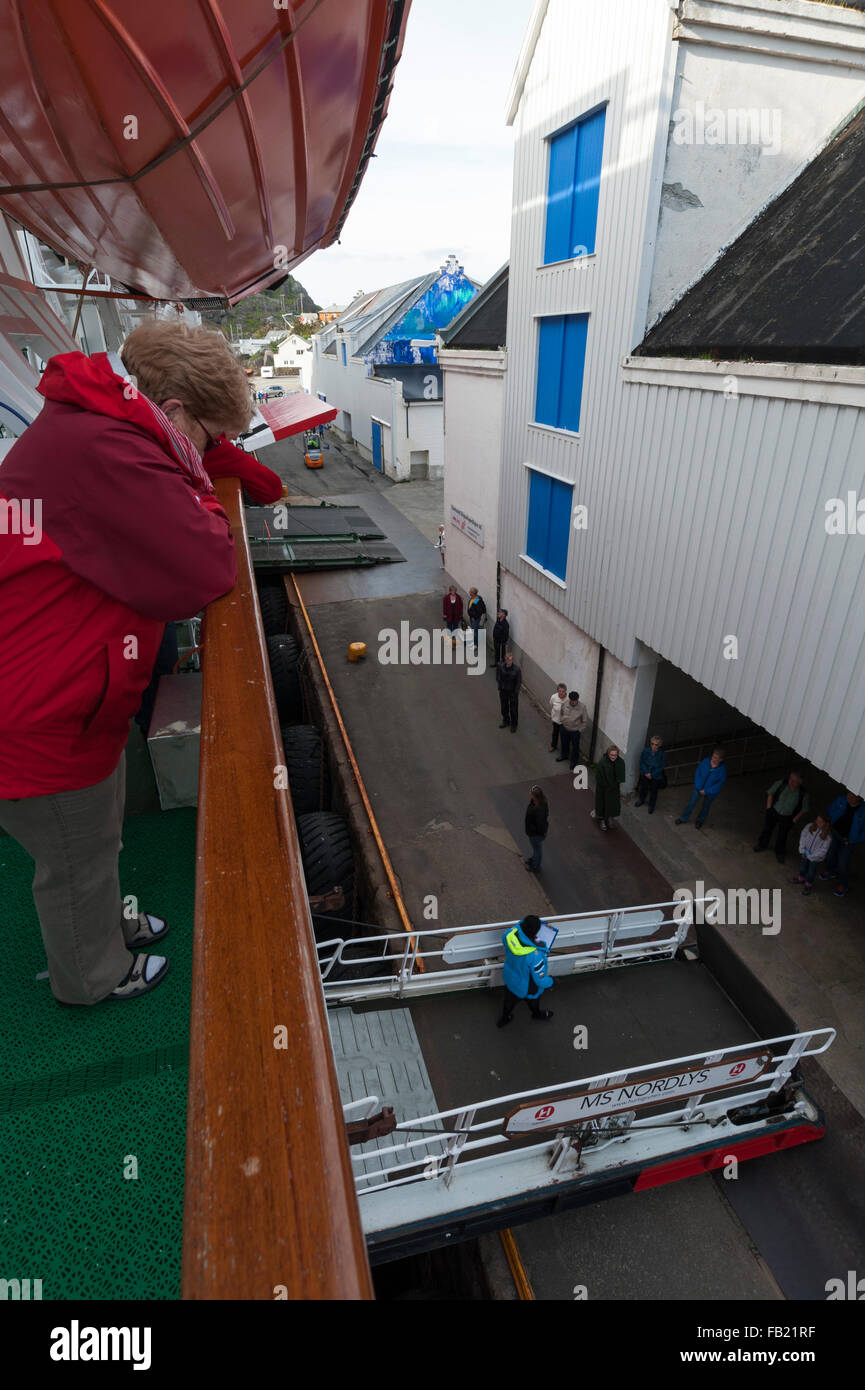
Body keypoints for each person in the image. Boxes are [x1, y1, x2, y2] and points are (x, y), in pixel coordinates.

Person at [0, 319, 250, 1006]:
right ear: (171, 412)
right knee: (73, 860)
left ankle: (106, 930)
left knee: (95, 836)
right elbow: (204, 564)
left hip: (65, 697)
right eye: (204, 435)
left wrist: (199, 471)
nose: (206, 453)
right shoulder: (108, 447)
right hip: (39, 713)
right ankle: (92, 978)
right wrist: (199, 487)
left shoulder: (97, 427)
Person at [497, 914, 554, 1027]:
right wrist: (551, 981)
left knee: (509, 1002)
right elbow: (539, 979)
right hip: (528, 986)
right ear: (535, 933)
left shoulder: (510, 934)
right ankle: (536, 1014)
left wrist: (532, 923)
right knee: (533, 1002)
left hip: (511, 979)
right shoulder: (535, 955)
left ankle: (504, 1019)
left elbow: (520, 925)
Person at [754, 768, 809, 864]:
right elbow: (770, 793)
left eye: (794, 781)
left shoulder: (803, 794)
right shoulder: (782, 784)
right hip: (774, 811)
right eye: (790, 779)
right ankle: (762, 844)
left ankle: (779, 852)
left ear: (800, 782)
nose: (791, 782)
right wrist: (768, 809)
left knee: (783, 835)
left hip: (788, 816)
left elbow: (804, 809)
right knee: (767, 829)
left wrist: (795, 819)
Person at [819, 791, 865, 899]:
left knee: (843, 862)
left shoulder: (863, 811)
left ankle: (843, 885)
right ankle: (831, 871)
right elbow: (830, 810)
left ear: (859, 798)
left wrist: (855, 839)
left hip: (848, 841)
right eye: (849, 793)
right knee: (830, 854)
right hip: (835, 833)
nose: (849, 797)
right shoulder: (841, 800)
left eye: (853, 795)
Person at [675, 747, 727, 829]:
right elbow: (698, 772)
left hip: (710, 792)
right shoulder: (706, 761)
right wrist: (698, 787)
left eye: (716, 758)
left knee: (706, 807)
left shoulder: (722, 770)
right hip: (698, 788)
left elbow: (719, 784)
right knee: (691, 803)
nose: (713, 759)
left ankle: (700, 820)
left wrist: (706, 791)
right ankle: (683, 818)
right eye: (713, 756)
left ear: (721, 760)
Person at [793, 813, 832, 895]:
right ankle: (801, 878)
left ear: (826, 823)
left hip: (815, 858)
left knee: (811, 871)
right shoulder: (809, 826)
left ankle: (808, 885)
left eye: (821, 822)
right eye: (817, 820)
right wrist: (802, 848)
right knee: (803, 867)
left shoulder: (827, 837)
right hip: (805, 852)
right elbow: (803, 836)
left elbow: (823, 850)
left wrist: (812, 856)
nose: (818, 823)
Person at [593, 744, 625, 830]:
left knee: (612, 804)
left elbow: (621, 774)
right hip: (603, 789)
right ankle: (603, 820)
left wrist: (615, 784)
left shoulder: (620, 762)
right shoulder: (603, 762)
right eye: (611, 755)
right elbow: (599, 776)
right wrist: (605, 785)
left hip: (614, 789)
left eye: (615, 755)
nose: (613, 757)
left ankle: (609, 818)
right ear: (608, 754)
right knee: (603, 804)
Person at [635, 734, 667, 813]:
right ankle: (641, 800)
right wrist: (646, 772)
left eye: (656, 744)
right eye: (652, 744)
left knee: (654, 791)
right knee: (643, 788)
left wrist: (652, 774)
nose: (653, 746)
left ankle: (651, 805)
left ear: (659, 745)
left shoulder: (662, 754)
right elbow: (642, 761)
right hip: (645, 773)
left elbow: (662, 766)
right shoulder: (646, 751)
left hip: (655, 776)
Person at [557, 690, 588, 769]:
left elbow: (585, 721)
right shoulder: (565, 704)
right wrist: (561, 722)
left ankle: (574, 761)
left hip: (575, 731)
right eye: (572, 701)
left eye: (575, 701)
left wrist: (579, 731)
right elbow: (561, 713)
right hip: (564, 728)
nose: (573, 702)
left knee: (575, 747)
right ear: (569, 699)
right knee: (564, 743)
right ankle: (564, 755)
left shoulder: (582, 707)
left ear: (577, 699)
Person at [524, 785, 549, 872]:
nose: (529, 793)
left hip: (536, 834)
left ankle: (535, 866)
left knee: (537, 849)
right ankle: (534, 859)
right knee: (536, 848)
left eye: (531, 793)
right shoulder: (537, 803)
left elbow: (540, 824)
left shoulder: (539, 809)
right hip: (534, 833)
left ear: (534, 796)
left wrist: (534, 831)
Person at [497, 651, 521, 732]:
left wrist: (516, 692)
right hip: (503, 691)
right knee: (504, 707)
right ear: (505, 660)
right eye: (508, 660)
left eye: (510, 660)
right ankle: (506, 721)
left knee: (513, 709)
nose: (509, 661)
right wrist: (500, 686)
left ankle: (514, 724)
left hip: (512, 692)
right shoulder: (501, 667)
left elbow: (518, 682)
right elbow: (498, 677)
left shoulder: (517, 670)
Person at [548, 683, 567, 752]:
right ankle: (553, 745)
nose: (561, 693)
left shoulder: (568, 699)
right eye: (560, 691)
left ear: (565, 691)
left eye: (563, 691)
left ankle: (564, 750)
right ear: (557, 691)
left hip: (564, 721)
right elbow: (551, 704)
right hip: (556, 719)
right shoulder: (554, 697)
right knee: (555, 733)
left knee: (563, 736)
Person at [466, 587, 486, 651]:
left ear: (473, 593)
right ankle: (474, 643)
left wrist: (474, 617)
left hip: (475, 619)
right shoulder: (472, 598)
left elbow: (479, 611)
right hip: (472, 617)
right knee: (473, 630)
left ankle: (476, 645)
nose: (469, 593)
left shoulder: (477, 600)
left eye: (470, 592)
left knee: (475, 632)